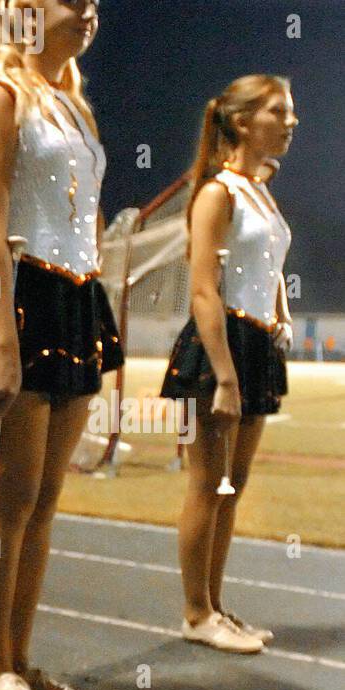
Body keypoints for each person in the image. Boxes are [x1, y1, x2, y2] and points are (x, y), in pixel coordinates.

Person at [0, 0, 123, 690]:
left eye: (92, 2)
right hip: (15, 300)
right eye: (69, 0)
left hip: (73, 300)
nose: (87, 10)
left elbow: (85, 215)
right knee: (6, 504)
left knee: (43, 504)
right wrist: (4, 343)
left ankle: (17, 657)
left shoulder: (75, 107)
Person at [162, 77, 296, 654]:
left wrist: (282, 313)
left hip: (258, 343)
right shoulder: (218, 193)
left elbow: (266, 261)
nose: (292, 122)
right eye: (280, 112)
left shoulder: (262, 190)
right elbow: (203, 291)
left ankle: (215, 606)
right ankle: (196, 612)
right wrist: (223, 374)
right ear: (242, 121)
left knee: (232, 487)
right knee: (207, 485)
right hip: (220, 349)